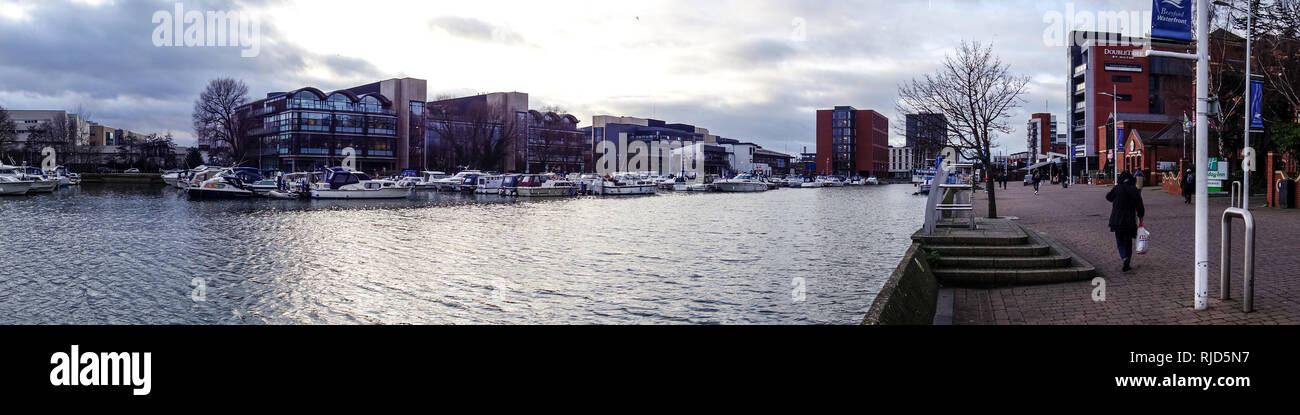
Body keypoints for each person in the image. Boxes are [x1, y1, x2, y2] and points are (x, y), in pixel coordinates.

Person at [1107, 171, 1145, 272]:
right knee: (1128, 241)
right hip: (1129, 220)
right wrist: (1141, 216)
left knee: (1119, 240)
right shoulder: (1134, 190)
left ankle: (1124, 257)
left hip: (1117, 219)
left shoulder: (1117, 188)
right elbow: (1139, 205)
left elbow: (1108, 197)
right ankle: (1128, 259)